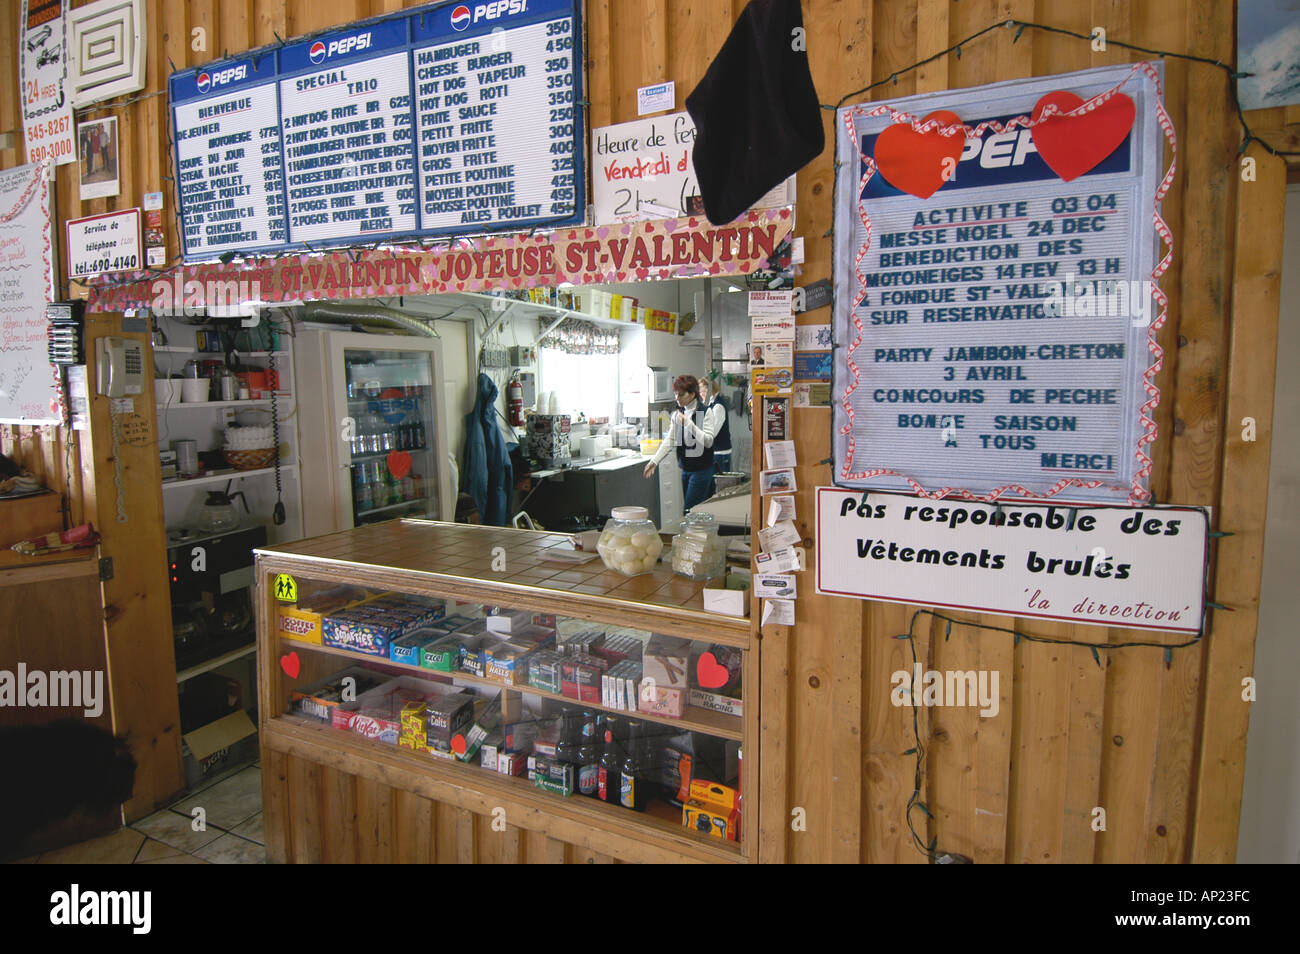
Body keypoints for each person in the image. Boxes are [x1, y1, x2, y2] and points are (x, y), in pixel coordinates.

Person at [642, 374, 723, 512]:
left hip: (702, 469)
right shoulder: (678, 413)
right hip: (686, 469)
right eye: (675, 394)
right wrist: (654, 461)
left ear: (692, 394)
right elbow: (671, 439)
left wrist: (689, 424)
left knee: (689, 511)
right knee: (695, 512)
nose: (677, 398)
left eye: (680, 395)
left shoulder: (705, 411)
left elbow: (709, 441)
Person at [698, 376, 732, 487]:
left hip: (720, 454)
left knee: (719, 489)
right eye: (700, 391)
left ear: (711, 390)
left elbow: (712, 433)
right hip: (713, 453)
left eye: (704, 391)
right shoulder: (709, 405)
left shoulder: (718, 406)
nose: (701, 394)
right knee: (711, 487)